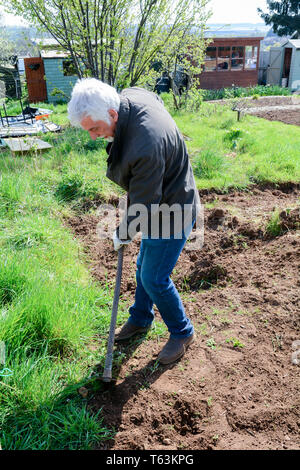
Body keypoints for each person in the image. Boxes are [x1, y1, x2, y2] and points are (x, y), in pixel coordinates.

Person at [67, 78, 201, 365]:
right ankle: (141, 319)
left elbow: (143, 203)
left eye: (95, 128)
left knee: (154, 277)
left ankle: (182, 331)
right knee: (143, 266)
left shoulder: (145, 146)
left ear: (113, 114)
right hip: (160, 198)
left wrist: (123, 231)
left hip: (174, 209)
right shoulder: (129, 96)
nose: (92, 136)